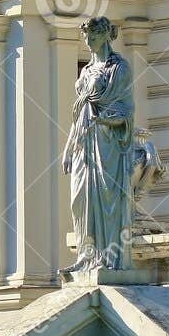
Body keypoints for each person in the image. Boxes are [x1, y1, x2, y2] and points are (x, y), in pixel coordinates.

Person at [61, 16, 135, 273]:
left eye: (93, 36)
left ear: (105, 35)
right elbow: (81, 112)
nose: (88, 42)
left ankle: (108, 257)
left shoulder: (119, 68)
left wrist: (104, 120)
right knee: (80, 198)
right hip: (84, 142)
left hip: (108, 145)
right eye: (86, 37)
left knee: (107, 200)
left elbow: (125, 110)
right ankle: (86, 254)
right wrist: (69, 147)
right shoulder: (86, 72)